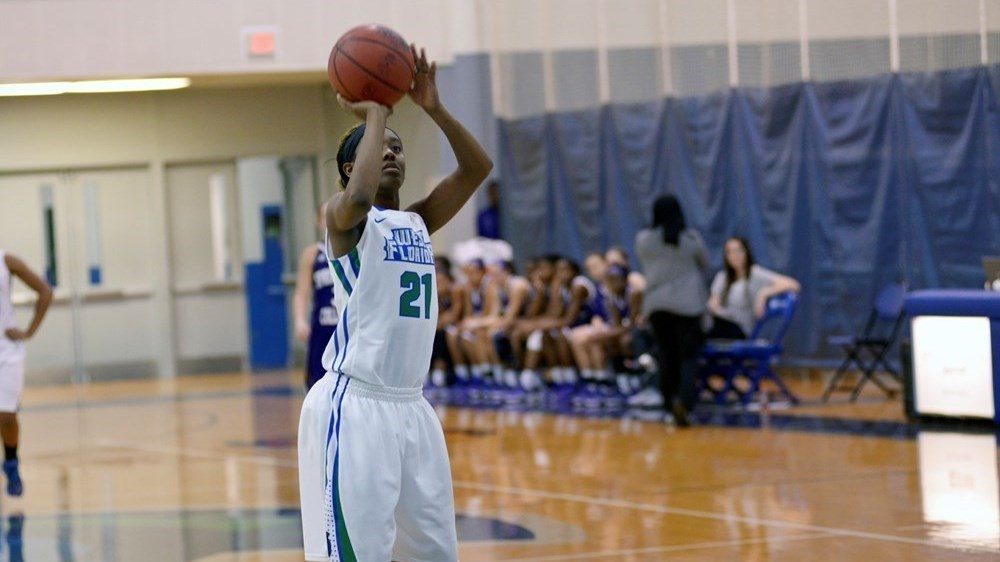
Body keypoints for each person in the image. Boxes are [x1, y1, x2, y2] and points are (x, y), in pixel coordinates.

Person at [297, 44, 492, 562]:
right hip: (355, 405)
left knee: (433, 554)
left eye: (398, 148)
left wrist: (434, 108)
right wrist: (377, 110)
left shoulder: (418, 222)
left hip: (412, 407)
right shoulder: (342, 218)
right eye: (378, 146)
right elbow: (360, 196)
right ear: (349, 168)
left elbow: (477, 168)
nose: (390, 152)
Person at [635, 195, 708, 427]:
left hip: (657, 305)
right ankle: (683, 401)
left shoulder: (644, 240)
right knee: (688, 356)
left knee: (666, 355)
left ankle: (668, 403)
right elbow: (704, 263)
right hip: (688, 305)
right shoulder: (690, 239)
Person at [0, 251, 52, 495]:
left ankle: (11, 462)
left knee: (6, 415)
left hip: (7, 349)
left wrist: (29, 331)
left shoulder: (7, 261)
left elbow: (45, 292)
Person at [706, 236, 800, 339]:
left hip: (740, 328)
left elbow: (793, 284)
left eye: (738, 251)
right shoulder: (722, 277)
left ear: (746, 252)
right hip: (721, 322)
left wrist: (763, 293)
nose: (735, 255)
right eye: (730, 252)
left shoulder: (755, 274)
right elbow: (713, 304)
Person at [293, 203, 338, 391]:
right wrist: (300, 320)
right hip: (322, 326)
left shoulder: (355, 249)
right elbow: (301, 292)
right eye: (326, 216)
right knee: (317, 384)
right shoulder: (312, 254)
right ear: (318, 222)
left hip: (347, 328)